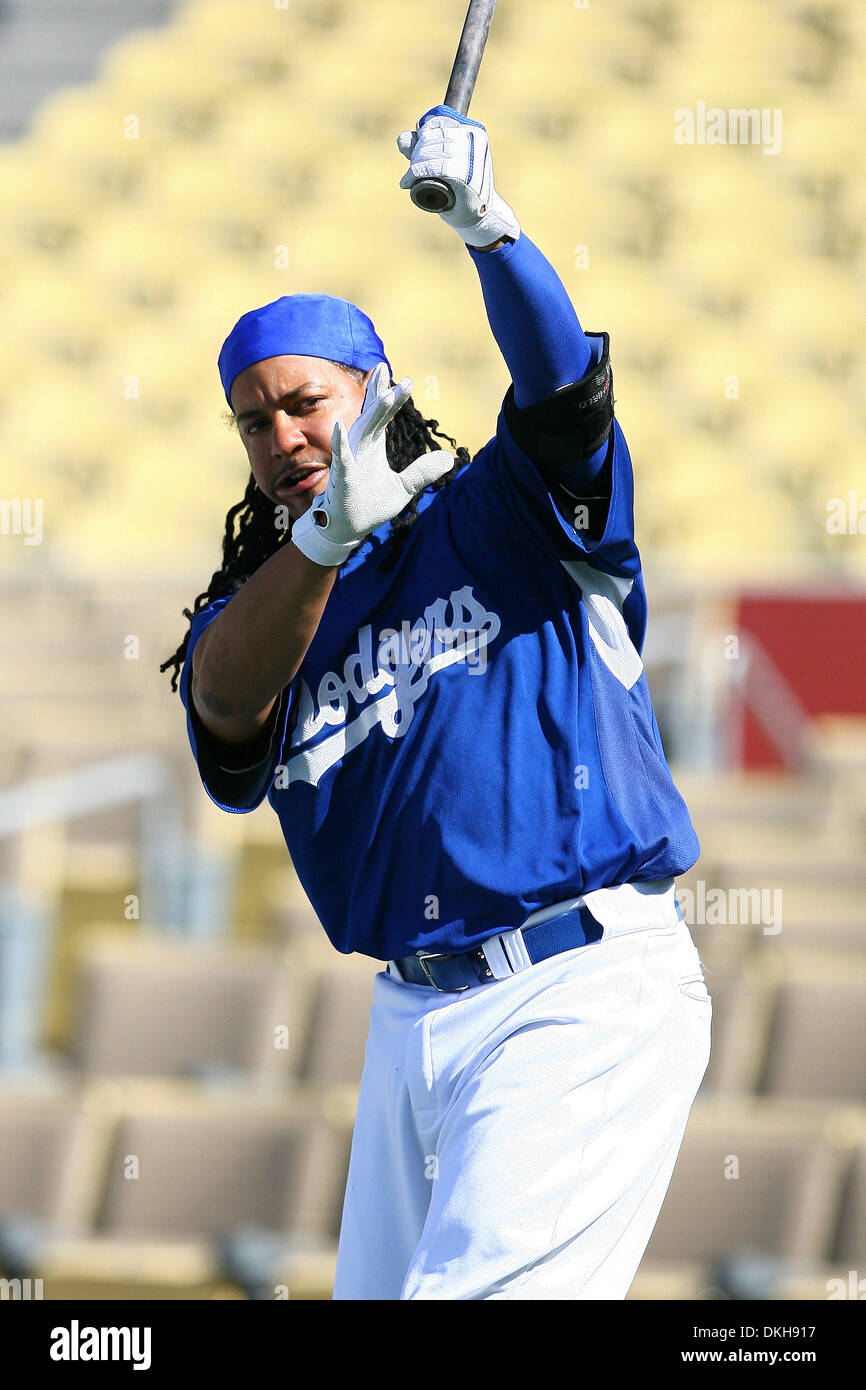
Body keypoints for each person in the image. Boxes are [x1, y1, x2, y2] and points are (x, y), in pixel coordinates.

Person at [161, 106, 712, 1300]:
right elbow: (220, 695)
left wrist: (487, 229)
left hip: (575, 982)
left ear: (377, 390)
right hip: (411, 1020)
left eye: (305, 401)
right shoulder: (275, 602)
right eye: (253, 419)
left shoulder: (498, 509)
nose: (282, 434)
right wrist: (319, 538)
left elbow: (565, 393)